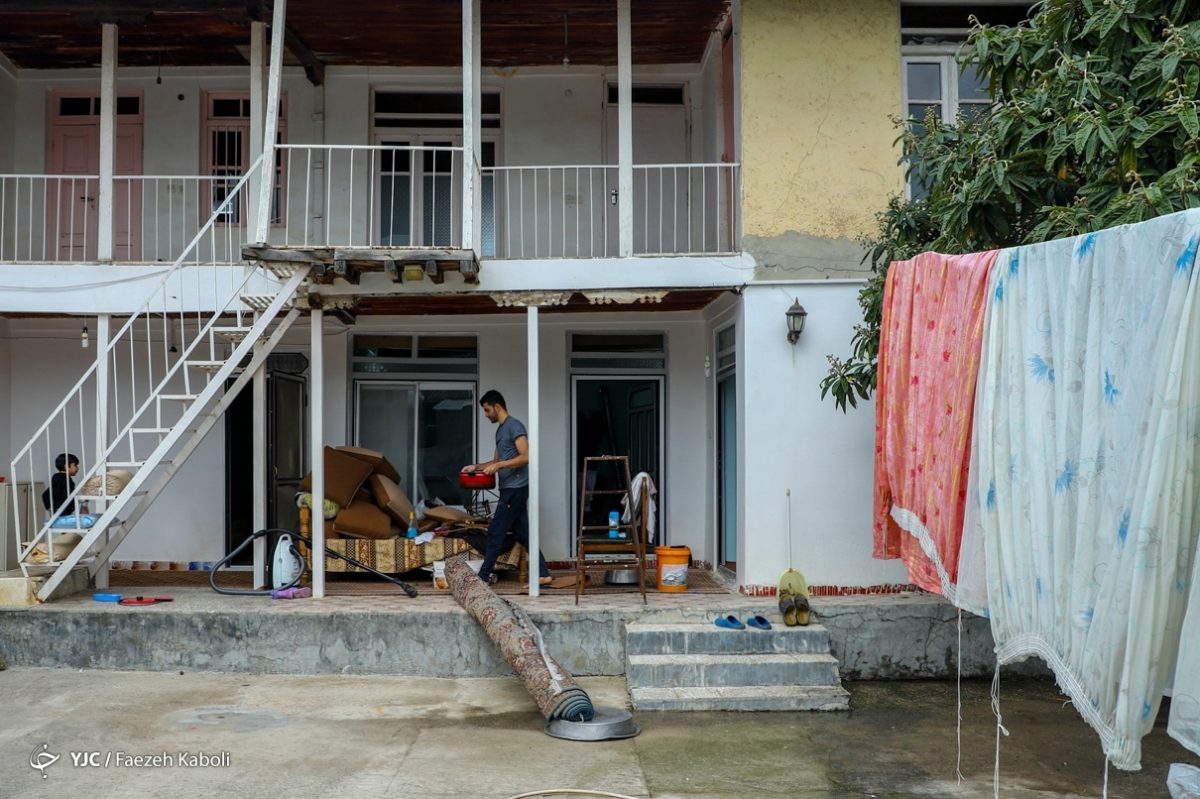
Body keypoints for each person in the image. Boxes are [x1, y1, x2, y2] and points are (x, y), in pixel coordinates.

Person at [462, 390, 550, 588]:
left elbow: (526, 456)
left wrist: (499, 466)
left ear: (497, 407)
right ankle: (543, 573)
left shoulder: (514, 426)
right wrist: (475, 467)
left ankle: (483, 577)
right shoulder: (500, 431)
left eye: (487, 410)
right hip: (508, 489)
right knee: (523, 533)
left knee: (496, 531)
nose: (486, 415)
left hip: (516, 489)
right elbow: (495, 461)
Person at [41, 452, 87, 518]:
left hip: (57, 513)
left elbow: (45, 495)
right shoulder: (67, 480)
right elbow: (68, 497)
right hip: (63, 514)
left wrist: (50, 508)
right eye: (75, 465)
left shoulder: (56, 478)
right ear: (66, 466)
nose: (77, 468)